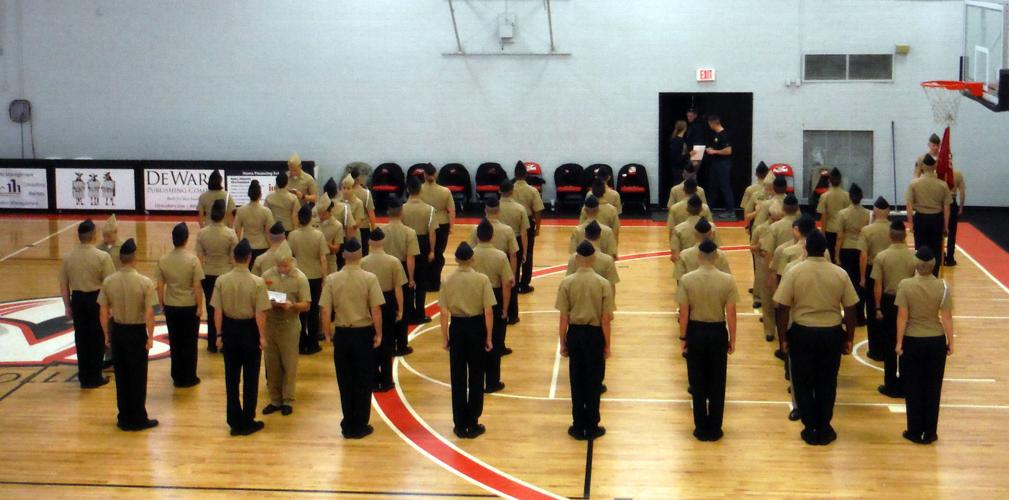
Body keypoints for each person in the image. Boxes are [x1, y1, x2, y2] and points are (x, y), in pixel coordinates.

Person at [773, 230, 858, 446]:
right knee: (827, 382)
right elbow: (850, 309)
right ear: (825, 250)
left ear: (805, 248)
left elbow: (782, 308)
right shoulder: (840, 274)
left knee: (803, 382)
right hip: (831, 333)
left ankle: (810, 426)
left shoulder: (794, 272)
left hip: (803, 333)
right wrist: (849, 337)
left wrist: (783, 338)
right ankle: (824, 426)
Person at [321, 238, 385, 439]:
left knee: (345, 381)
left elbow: (325, 310)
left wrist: (327, 334)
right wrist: (379, 333)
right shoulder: (369, 278)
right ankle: (360, 424)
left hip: (342, 333)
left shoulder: (331, 279)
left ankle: (348, 422)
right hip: (363, 333)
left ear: (343, 256)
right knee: (363, 381)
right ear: (360, 255)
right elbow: (376, 310)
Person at [677, 239, 738, 441]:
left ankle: (701, 428)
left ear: (698, 256)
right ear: (717, 256)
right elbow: (731, 313)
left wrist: (683, 336)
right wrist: (732, 338)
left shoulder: (687, 279)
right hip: (717, 331)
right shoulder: (728, 280)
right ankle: (715, 428)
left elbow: (684, 313)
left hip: (696, 331)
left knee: (697, 382)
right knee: (717, 382)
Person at [211, 239, 271, 436]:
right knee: (251, 378)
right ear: (249, 258)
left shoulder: (221, 280)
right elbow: (260, 313)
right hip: (249, 331)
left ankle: (233, 419)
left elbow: (217, 310)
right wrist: (262, 337)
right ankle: (248, 420)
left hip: (230, 329)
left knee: (231, 378)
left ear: (233, 257)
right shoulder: (258, 282)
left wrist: (219, 334)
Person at [98, 238, 158, 431]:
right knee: (138, 377)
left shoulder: (109, 281)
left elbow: (103, 311)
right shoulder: (145, 282)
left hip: (118, 331)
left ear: (120, 259)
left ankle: (124, 417)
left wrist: (106, 334)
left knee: (122, 376)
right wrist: (150, 336)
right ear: (135, 258)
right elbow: (149, 313)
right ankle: (138, 417)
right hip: (136, 332)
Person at [896, 246, 954, 445]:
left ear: (916, 265)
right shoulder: (943, 286)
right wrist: (951, 342)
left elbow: (902, 316)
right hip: (936, 340)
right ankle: (930, 432)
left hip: (912, 340)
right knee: (933, 387)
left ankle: (914, 430)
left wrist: (899, 342)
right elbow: (946, 317)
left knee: (913, 387)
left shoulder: (905, 285)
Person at [557, 241, 614, 441]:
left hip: (575, 333)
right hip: (595, 335)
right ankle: (592, 425)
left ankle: (577, 424)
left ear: (577, 259)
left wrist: (563, 342)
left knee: (576, 379)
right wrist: (607, 345)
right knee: (594, 381)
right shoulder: (603, 284)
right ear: (594, 259)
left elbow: (563, 317)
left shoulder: (567, 282)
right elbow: (606, 320)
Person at [59, 219, 116, 389]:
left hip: (77, 299)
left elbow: (64, 285)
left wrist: (67, 305)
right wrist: (110, 306)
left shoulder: (67, 257)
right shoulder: (102, 256)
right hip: (96, 299)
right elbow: (110, 284)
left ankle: (84, 376)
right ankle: (95, 376)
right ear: (94, 235)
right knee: (97, 337)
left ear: (79, 236)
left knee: (81, 337)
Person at [870, 220, 917, 398]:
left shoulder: (881, 257)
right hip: (908, 302)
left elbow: (878, 285)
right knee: (905, 342)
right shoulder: (913, 257)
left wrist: (877, 307)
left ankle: (890, 384)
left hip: (889, 302)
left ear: (890, 236)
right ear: (905, 236)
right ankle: (905, 384)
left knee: (889, 344)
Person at [155, 222, 205, 388]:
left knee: (175, 341)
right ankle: (189, 376)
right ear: (186, 239)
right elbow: (197, 286)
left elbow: (160, 285)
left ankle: (176, 375)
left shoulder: (163, 260)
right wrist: (200, 306)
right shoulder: (193, 260)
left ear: (173, 239)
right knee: (189, 342)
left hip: (171, 305)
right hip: (189, 306)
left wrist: (162, 303)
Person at [261, 248, 310, 416]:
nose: (282, 269)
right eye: (279, 266)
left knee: (289, 364)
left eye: (285, 265)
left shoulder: (300, 278)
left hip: (289, 324)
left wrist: (293, 306)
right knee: (271, 363)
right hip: (270, 324)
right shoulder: (267, 276)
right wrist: (273, 302)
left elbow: (306, 304)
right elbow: (260, 297)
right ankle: (275, 399)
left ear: (291, 261)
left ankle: (288, 399)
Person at [360, 229, 406, 392]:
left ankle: (373, 379)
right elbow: (398, 288)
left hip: (369, 302)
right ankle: (386, 380)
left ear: (369, 242)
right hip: (388, 301)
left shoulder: (362, 262)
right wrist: (401, 309)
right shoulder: (393, 261)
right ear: (384, 241)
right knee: (387, 341)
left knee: (371, 340)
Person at [470, 221, 513, 393]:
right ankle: (492, 381)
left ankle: (476, 381)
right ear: (492, 236)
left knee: (476, 342)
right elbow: (506, 284)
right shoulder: (500, 256)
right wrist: (505, 309)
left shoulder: (470, 255)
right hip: (494, 297)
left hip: (475, 298)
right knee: (494, 341)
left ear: (477, 236)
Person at [196, 199, 239, 353]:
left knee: (211, 308)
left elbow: (199, 257)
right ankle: (224, 341)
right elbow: (234, 258)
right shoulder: (230, 233)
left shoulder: (202, 233)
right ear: (224, 215)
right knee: (225, 309)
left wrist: (201, 274)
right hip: (225, 274)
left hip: (207, 274)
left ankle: (212, 343)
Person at [382, 197, 421, 356]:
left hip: (386, 269)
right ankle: (402, 345)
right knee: (403, 309)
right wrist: (411, 278)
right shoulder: (409, 232)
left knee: (389, 308)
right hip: (403, 269)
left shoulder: (381, 231)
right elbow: (410, 258)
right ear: (401, 212)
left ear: (388, 212)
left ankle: (389, 345)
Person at [288, 204, 329, 355]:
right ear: (311, 218)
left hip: (299, 276)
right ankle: (312, 344)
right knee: (313, 311)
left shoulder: (292, 235)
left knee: (300, 312)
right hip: (315, 276)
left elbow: (290, 257)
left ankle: (300, 343)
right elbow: (323, 259)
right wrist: (325, 278)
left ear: (299, 218)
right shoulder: (318, 235)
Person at [859, 197, 894, 361]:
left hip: (872, 271)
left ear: (874, 212)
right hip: (890, 271)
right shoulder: (894, 229)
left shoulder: (867, 230)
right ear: (888, 212)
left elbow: (863, 255)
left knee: (873, 310)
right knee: (889, 309)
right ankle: (889, 348)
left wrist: (862, 277)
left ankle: (875, 350)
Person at [906, 154, 952, 276]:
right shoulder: (942, 185)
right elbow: (947, 208)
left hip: (920, 219)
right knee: (936, 250)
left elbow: (909, 206)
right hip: (936, 220)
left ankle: (920, 275)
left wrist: (910, 224)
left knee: (920, 249)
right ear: (935, 167)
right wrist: (946, 226)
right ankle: (934, 276)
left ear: (922, 167)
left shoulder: (914, 184)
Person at [403, 176, 437, 325]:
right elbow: (432, 232)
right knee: (421, 282)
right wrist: (432, 251)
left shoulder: (402, 208)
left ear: (407, 190)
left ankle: (409, 313)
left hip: (407, 245)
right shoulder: (429, 209)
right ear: (420, 189)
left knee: (408, 281)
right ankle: (420, 315)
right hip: (423, 244)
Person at [834, 184, 870, 325]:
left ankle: (850, 316)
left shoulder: (842, 214)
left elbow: (839, 236)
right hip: (861, 250)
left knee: (848, 284)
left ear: (850, 197)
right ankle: (861, 316)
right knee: (861, 283)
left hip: (846, 250)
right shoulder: (867, 214)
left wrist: (837, 255)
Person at [497, 181, 529, 324]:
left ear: (499, 191)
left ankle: (499, 313)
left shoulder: (494, 207)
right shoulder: (520, 208)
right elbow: (524, 233)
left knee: (497, 280)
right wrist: (525, 251)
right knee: (512, 280)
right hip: (515, 243)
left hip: (498, 243)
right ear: (512, 191)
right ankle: (512, 315)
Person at [420, 163, 455, 291]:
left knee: (424, 252)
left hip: (424, 223)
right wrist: (451, 227)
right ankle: (435, 282)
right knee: (438, 253)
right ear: (436, 174)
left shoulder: (418, 190)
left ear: (424, 175)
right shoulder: (445, 191)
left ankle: (425, 281)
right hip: (442, 224)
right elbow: (451, 210)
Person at [512, 162, 545, 294]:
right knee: (528, 253)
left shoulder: (510, 189)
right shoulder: (532, 190)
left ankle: (513, 282)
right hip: (528, 224)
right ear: (526, 175)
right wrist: (538, 228)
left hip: (512, 224)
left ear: (514, 174)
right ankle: (525, 284)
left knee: (512, 253)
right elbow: (538, 211)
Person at [566, 221, 620, 293]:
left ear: (585, 234)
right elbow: (611, 287)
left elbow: (567, 283)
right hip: (599, 296)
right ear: (599, 235)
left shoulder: (573, 258)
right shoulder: (608, 260)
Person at [234, 180, 274, 266]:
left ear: (249, 194)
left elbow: (237, 231)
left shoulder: (240, 210)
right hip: (263, 246)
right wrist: (272, 249)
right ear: (260, 195)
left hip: (246, 248)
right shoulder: (266, 211)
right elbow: (269, 232)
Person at [816, 168, 851, 263]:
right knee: (841, 258)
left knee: (830, 257)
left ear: (829, 181)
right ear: (840, 180)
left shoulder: (825, 196)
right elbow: (848, 214)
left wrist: (823, 233)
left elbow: (823, 216)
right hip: (843, 231)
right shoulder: (847, 196)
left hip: (829, 230)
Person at [669, 195, 717, 262]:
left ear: (687, 209)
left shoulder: (678, 229)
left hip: (686, 263)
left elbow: (675, 257)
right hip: (707, 263)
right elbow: (717, 250)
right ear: (701, 209)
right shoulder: (712, 227)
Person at [704, 114, 735, 215]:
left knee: (725, 186)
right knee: (712, 186)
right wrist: (711, 150)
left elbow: (728, 151)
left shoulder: (724, 134)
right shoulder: (716, 135)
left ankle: (730, 211)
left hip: (723, 164)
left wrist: (715, 151)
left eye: (709, 123)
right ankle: (708, 209)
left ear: (712, 123)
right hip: (715, 163)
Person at [582, 178, 621, 242]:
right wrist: (614, 244)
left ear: (592, 190)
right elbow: (616, 230)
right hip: (606, 241)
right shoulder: (612, 209)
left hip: (589, 242)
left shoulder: (585, 208)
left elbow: (581, 228)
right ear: (604, 191)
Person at [350, 168, 377, 256]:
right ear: (359, 178)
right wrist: (374, 231)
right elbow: (371, 213)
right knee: (364, 254)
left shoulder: (345, 193)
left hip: (349, 227)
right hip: (363, 227)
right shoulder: (366, 193)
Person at [944, 167, 966, 267]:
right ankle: (950, 258)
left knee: (937, 231)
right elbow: (962, 192)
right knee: (952, 232)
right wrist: (960, 207)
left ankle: (938, 256)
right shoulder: (957, 174)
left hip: (939, 204)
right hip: (952, 202)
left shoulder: (936, 174)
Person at [318, 201, 345, 274]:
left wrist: (324, 243)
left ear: (330, 212)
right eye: (319, 213)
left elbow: (336, 249)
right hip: (314, 261)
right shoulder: (314, 221)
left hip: (329, 261)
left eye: (324, 214)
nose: (321, 216)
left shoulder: (337, 225)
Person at [340, 175, 367, 244]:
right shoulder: (338, 201)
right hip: (340, 236)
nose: (346, 191)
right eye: (344, 188)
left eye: (348, 188)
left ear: (353, 189)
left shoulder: (358, 203)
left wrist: (347, 226)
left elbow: (358, 221)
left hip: (353, 235)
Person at [668, 119, 689, 201]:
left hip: (680, 166)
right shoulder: (678, 141)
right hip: (678, 167)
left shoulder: (678, 139)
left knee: (679, 185)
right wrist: (684, 155)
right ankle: (676, 202)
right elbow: (675, 156)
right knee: (678, 185)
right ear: (685, 128)